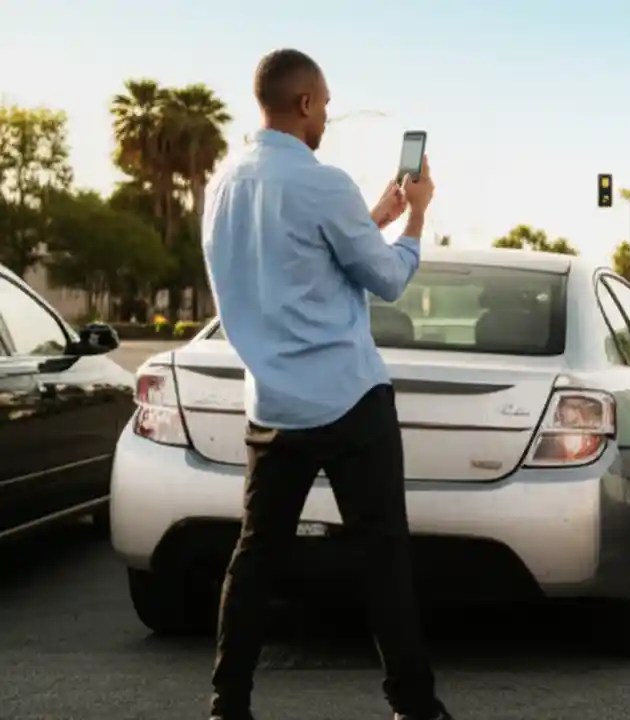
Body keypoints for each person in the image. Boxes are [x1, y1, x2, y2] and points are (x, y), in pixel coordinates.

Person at [201, 48, 451, 720]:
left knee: (255, 556)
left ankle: (228, 704)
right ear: (304, 103)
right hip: (348, 399)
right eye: (326, 103)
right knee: (382, 557)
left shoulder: (222, 185)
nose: (328, 116)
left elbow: (304, 258)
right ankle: (414, 706)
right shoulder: (319, 179)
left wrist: (377, 214)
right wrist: (419, 215)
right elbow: (389, 279)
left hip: (273, 404)